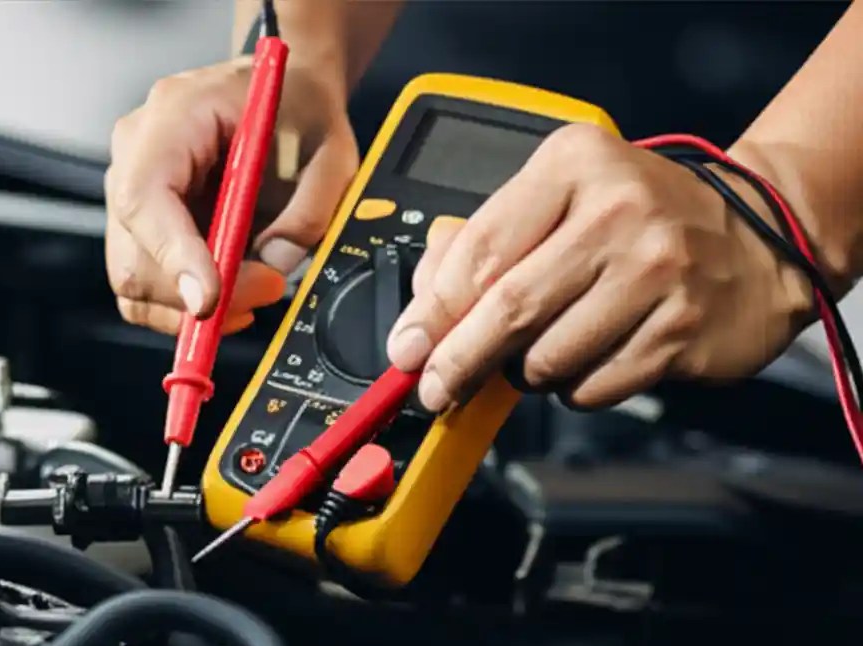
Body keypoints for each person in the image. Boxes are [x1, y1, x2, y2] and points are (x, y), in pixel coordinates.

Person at [103, 1, 863, 413]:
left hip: (778, 83)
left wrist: (790, 195)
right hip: (442, 74)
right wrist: (297, 52)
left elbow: (784, 204)